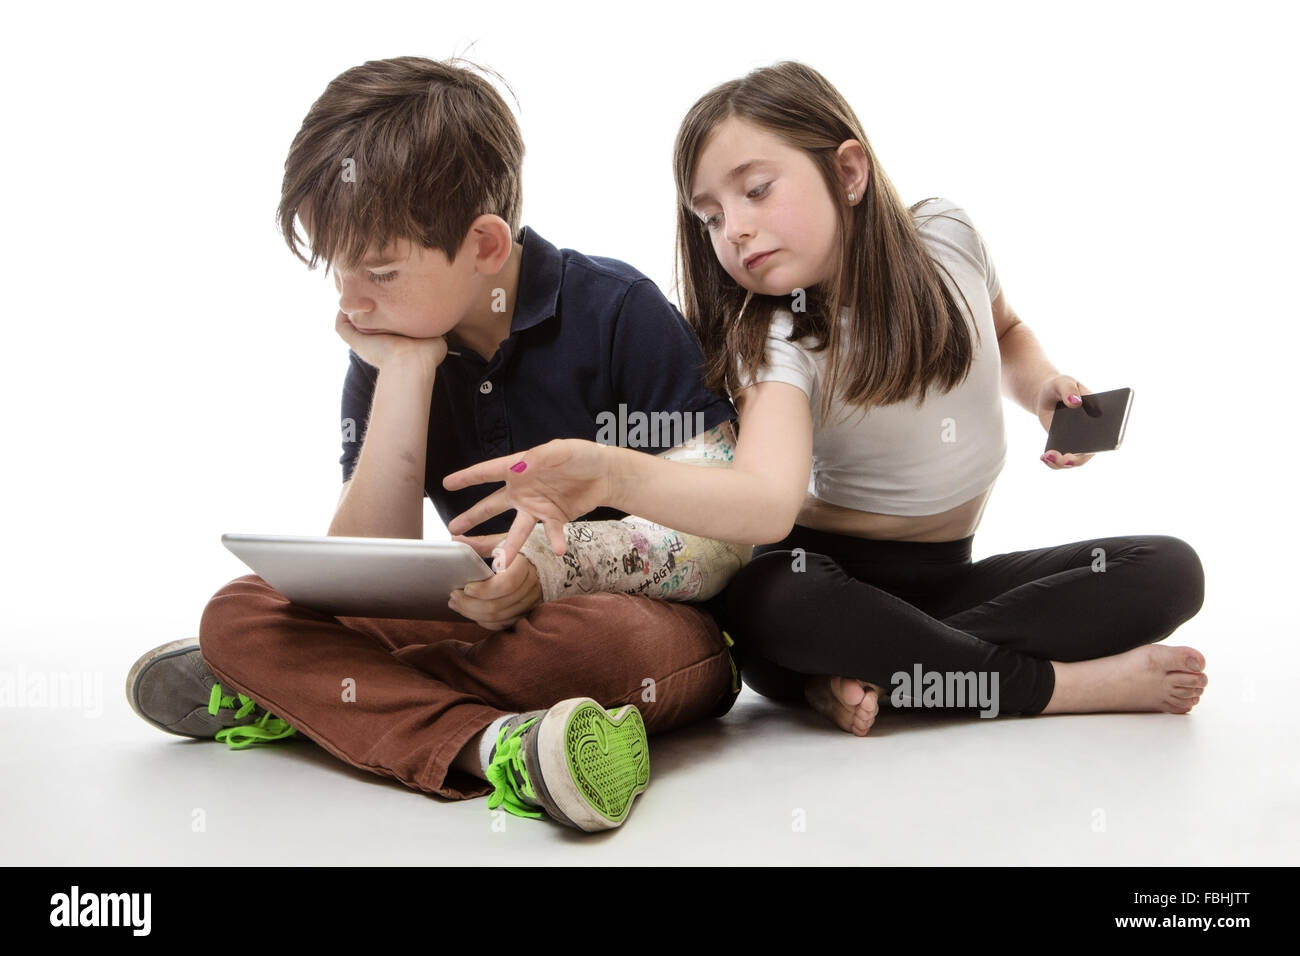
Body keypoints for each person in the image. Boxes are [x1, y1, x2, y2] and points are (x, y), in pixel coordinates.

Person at [441, 60, 1208, 737]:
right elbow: (766, 505)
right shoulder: (779, 342)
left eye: (756, 191)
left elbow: (1004, 331)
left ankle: (889, 671)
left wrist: (1042, 388)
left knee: (1171, 570)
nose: (734, 230)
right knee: (776, 608)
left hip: (952, 578)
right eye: (711, 216)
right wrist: (611, 474)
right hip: (832, 578)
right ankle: (1055, 689)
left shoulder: (950, 234)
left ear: (848, 171)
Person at [124, 55, 754, 833]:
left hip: (642, 624)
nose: (351, 301)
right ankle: (496, 746)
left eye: (380, 271)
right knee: (238, 614)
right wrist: (409, 372)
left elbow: (722, 542)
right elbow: (359, 571)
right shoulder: (397, 344)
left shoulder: (618, 310)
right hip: (476, 618)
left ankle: (313, 696)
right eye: (338, 269)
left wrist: (551, 571)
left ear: (486, 244)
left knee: (585, 653)